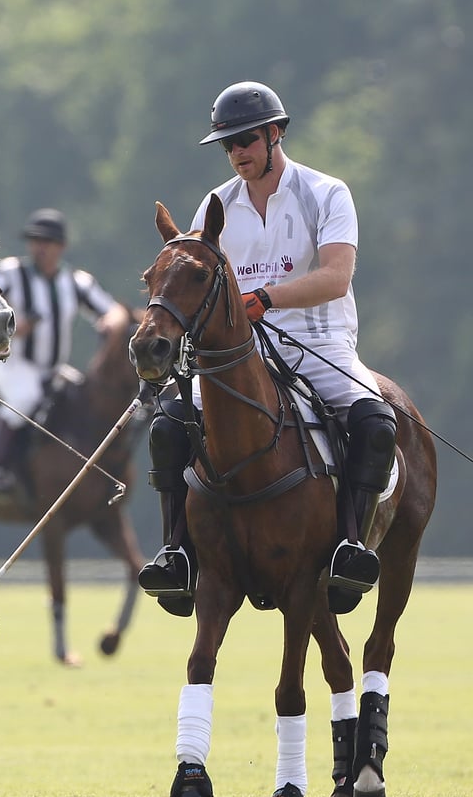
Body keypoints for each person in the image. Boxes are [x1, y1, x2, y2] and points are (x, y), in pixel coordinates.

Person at [138, 81, 397, 615]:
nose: (238, 154)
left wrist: (265, 298)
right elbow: (189, 280)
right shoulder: (216, 207)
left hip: (321, 343)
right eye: (228, 145)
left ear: (275, 134)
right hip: (242, 356)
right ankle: (177, 555)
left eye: (247, 140)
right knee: (168, 427)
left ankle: (349, 547)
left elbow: (336, 277)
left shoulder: (326, 193)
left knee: (375, 423)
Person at [0, 208, 130, 501]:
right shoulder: (12, 272)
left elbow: (112, 310)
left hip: (54, 368)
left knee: (85, 399)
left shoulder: (76, 281)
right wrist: (15, 329)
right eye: (35, 240)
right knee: (25, 399)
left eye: (47, 241)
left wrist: (113, 322)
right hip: (14, 364)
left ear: (61, 246)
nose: (40, 247)